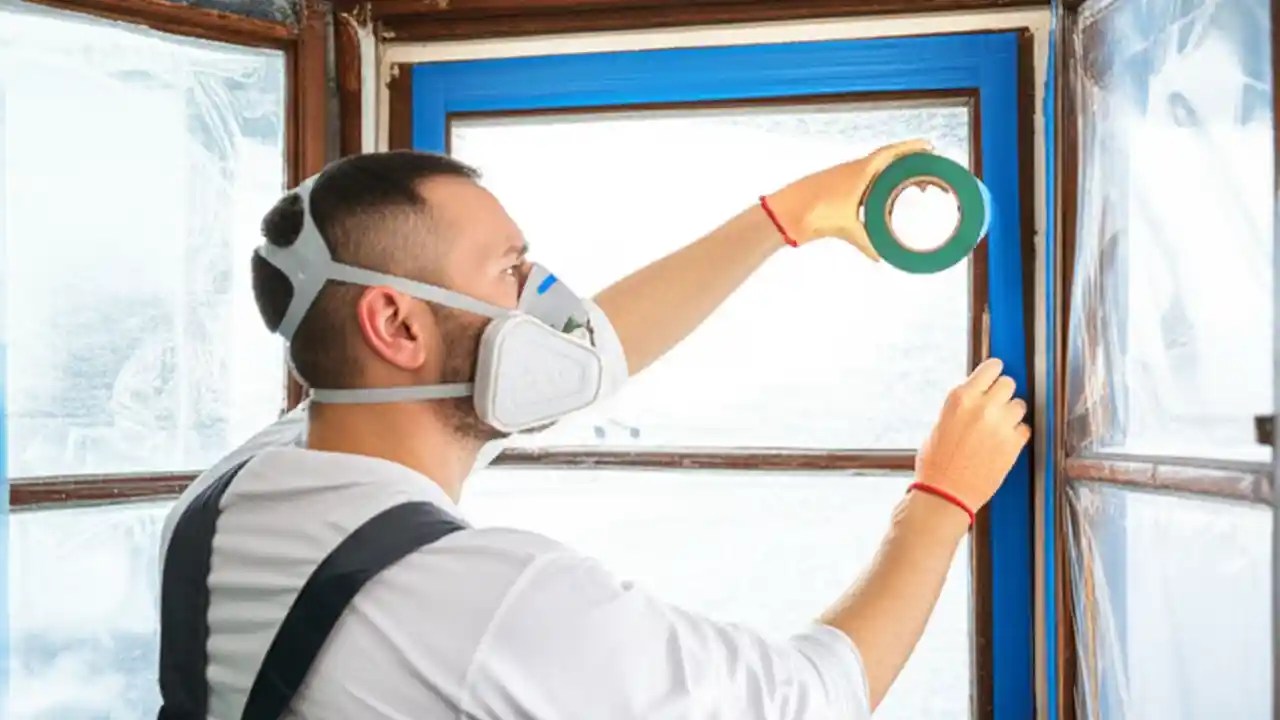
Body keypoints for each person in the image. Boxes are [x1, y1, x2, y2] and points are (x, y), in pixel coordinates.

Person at [156, 143, 1029, 720]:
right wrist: (942, 498)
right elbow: (808, 697)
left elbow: (579, 358)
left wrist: (786, 219)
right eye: (513, 269)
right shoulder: (492, 602)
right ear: (399, 325)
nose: (548, 298)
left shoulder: (238, 489)